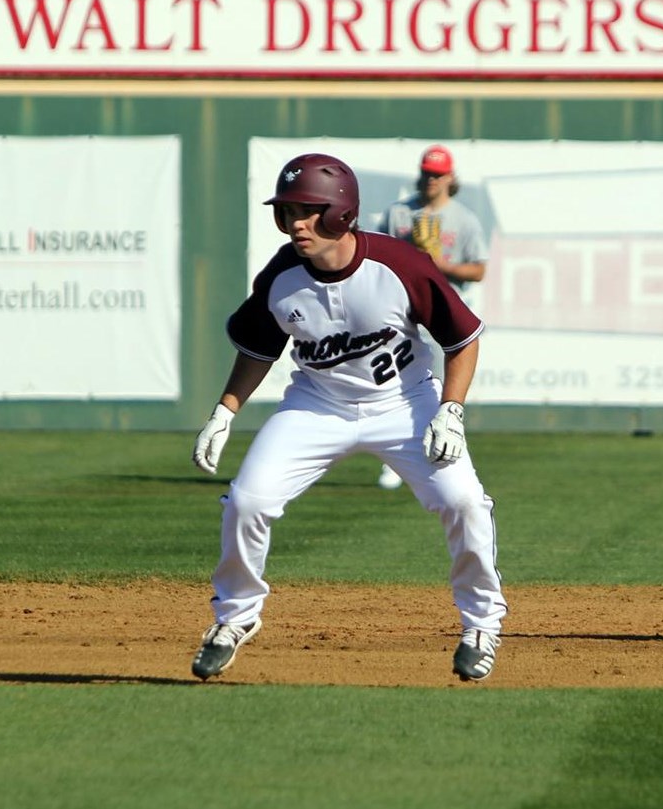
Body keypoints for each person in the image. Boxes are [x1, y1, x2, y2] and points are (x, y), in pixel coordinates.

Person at [189, 152, 507, 682]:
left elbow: (463, 339)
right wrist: (225, 411)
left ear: (342, 213)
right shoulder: (282, 274)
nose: (296, 223)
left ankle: (481, 623)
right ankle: (235, 617)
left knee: (464, 501)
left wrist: (451, 410)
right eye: (288, 211)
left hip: (405, 403)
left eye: (309, 211)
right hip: (317, 406)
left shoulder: (399, 266)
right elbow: (259, 348)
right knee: (247, 500)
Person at [366, 144, 489, 490]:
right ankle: (397, 457)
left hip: (442, 311)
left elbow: (479, 269)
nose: (430, 180)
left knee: (436, 388)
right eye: (426, 173)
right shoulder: (398, 213)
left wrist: (439, 264)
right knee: (398, 383)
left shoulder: (463, 219)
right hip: (399, 310)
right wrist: (409, 258)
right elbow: (373, 254)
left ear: (450, 177)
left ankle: (441, 449)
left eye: (437, 174)